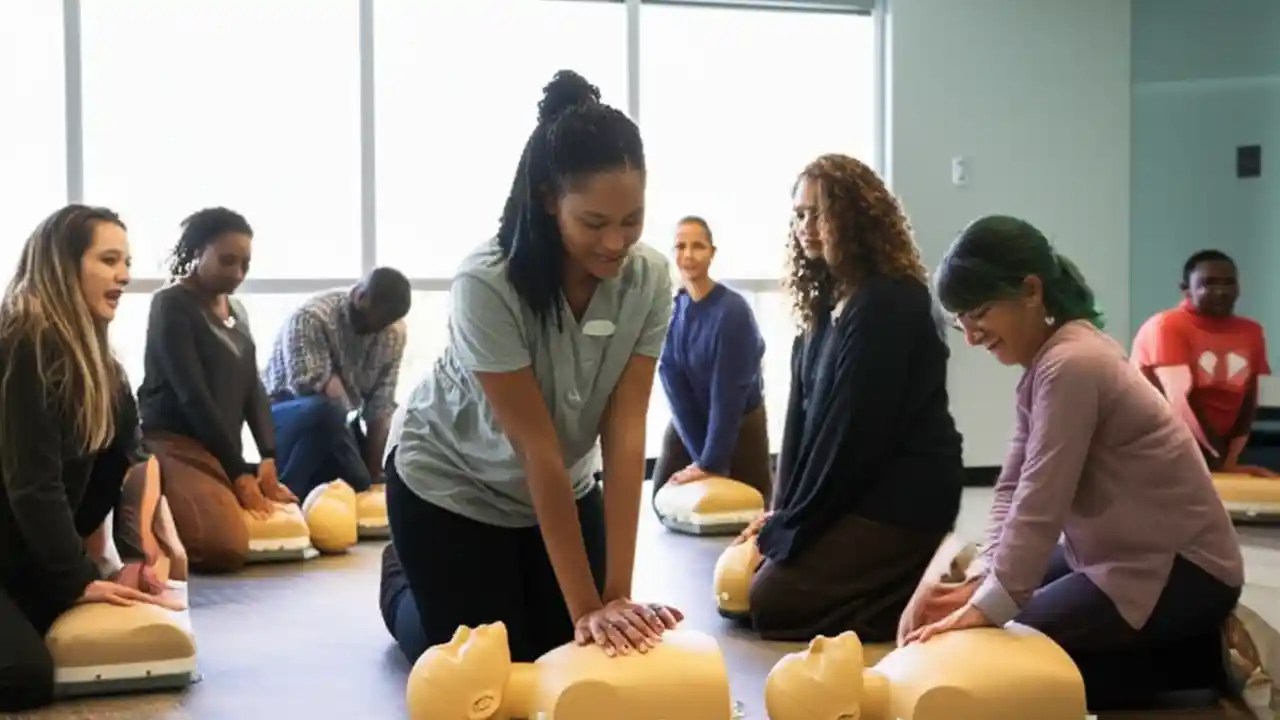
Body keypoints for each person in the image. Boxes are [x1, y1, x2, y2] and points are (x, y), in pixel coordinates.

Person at [378, 70, 682, 665]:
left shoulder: (647, 281)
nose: (617, 242)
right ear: (549, 200)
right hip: (453, 483)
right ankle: (401, 581)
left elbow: (624, 436)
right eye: (594, 223)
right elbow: (535, 445)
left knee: (572, 648)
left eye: (632, 220)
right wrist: (585, 608)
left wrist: (614, 598)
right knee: (488, 659)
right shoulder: (487, 282)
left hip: (562, 488)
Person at [906, 215, 1244, 711]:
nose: (972, 337)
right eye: (962, 321)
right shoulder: (1048, 363)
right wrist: (985, 574)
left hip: (1182, 569)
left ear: (1030, 290)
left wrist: (988, 608)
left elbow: (1042, 502)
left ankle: (1195, 658)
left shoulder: (1073, 364)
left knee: (1008, 649)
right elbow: (1013, 488)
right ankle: (1174, 649)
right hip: (1120, 547)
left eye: (979, 313)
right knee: (998, 616)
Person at [734, 154, 964, 643]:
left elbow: (853, 439)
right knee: (743, 589)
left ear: (857, 216)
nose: (806, 226)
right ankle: (900, 582)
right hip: (850, 488)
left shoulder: (888, 301)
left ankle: (918, 596)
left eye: (820, 212)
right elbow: (799, 430)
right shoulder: (822, 308)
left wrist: (796, 529)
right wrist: (781, 516)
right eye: (799, 215)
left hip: (899, 497)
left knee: (771, 601)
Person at [0, 206, 170, 711]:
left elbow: (131, 461)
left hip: (18, 557)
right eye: (109, 259)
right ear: (63, 265)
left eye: (127, 261)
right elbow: (34, 484)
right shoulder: (22, 343)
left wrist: (137, 558)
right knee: (24, 675)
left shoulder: (105, 372)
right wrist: (78, 579)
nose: (125, 274)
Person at [137, 207, 295, 574]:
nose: (237, 274)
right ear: (196, 252)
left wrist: (268, 458)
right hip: (174, 443)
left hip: (218, 449)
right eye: (227, 261)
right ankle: (149, 501)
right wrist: (239, 472)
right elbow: (192, 394)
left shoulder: (236, 310)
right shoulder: (170, 305)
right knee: (222, 547)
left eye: (245, 264)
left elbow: (252, 386)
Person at [652, 215, 771, 512]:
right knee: (663, 497)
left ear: (712, 253)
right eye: (680, 246)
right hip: (691, 420)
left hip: (741, 422)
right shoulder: (671, 312)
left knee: (752, 516)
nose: (688, 255)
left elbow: (728, 395)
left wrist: (712, 463)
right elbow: (674, 388)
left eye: (698, 246)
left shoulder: (733, 312)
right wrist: (699, 460)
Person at [261, 267, 410, 500]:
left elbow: (379, 410)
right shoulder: (311, 318)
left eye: (387, 323)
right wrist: (358, 469)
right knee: (326, 411)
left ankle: (352, 487)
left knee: (371, 468)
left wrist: (372, 476)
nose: (379, 331)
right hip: (284, 414)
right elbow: (318, 390)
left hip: (339, 421)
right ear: (359, 297)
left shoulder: (393, 333)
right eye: (377, 321)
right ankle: (284, 493)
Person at [1131, 250, 1275, 477]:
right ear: (1186, 290)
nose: (1221, 291)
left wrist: (1230, 459)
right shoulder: (1167, 326)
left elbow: (1248, 398)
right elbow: (1178, 402)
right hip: (1161, 451)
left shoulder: (1251, 331)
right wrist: (1215, 459)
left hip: (1214, 453)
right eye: (1208, 283)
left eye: (1229, 283)